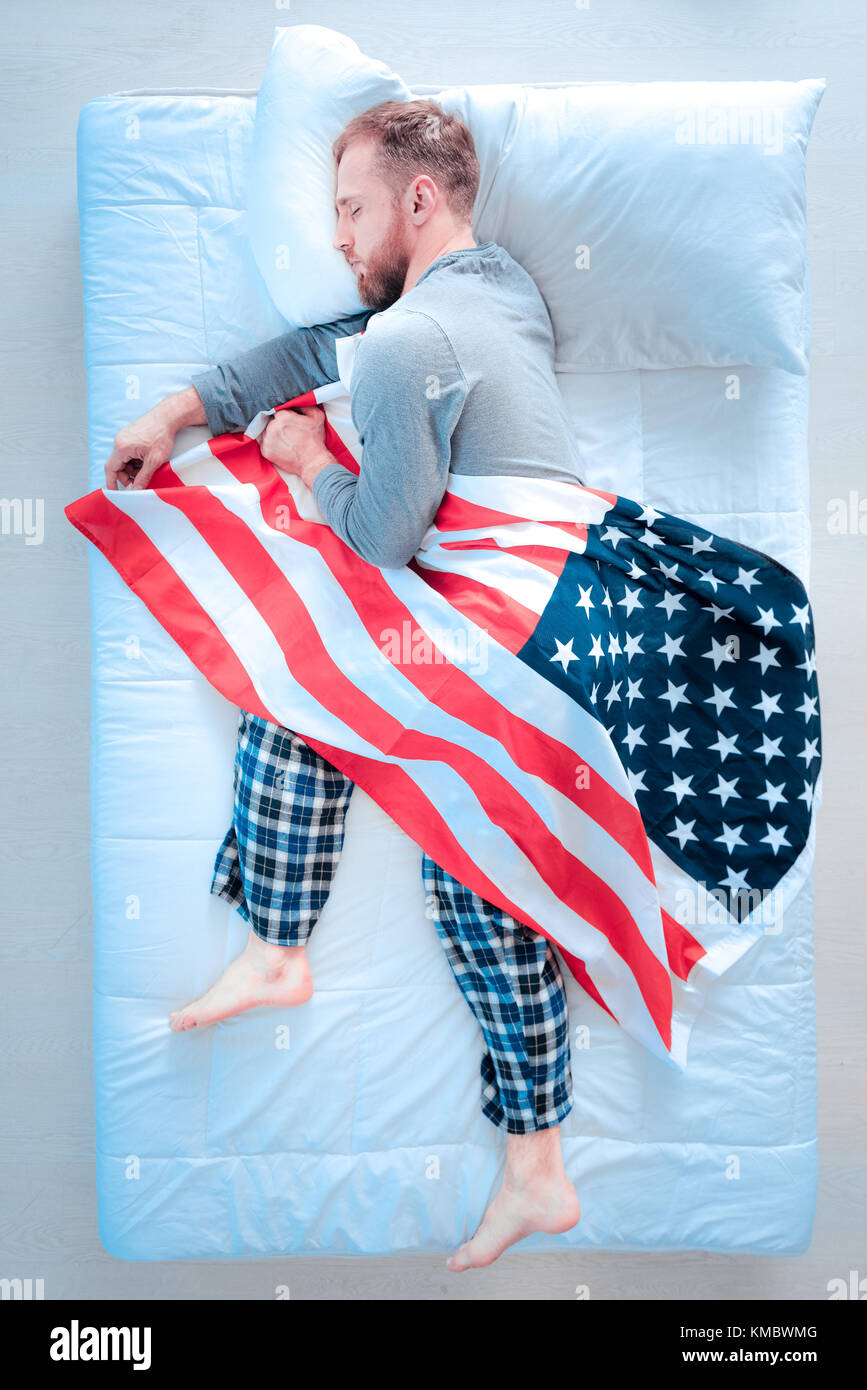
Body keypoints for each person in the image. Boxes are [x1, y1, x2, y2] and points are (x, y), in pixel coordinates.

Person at [103, 99, 585, 1271]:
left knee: (314, 669)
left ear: (417, 202)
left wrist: (312, 458)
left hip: (505, 651)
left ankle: (280, 943)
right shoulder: (502, 288)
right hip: (553, 624)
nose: (337, 237)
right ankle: (535, 1160)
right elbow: (318, 349)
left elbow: (381, 540)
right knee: (444, 837)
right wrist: (181, 410)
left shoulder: (413, 345)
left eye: (352, 210)